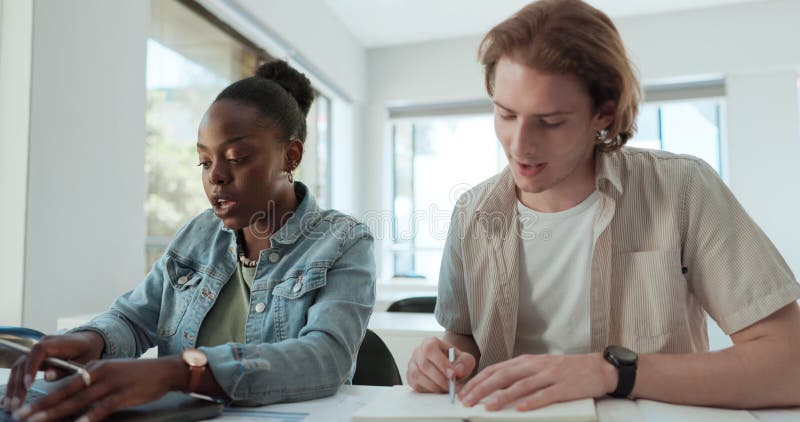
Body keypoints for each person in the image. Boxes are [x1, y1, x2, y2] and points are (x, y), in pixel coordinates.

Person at [407, 0, 800, 412]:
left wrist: (612, 372)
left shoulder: (683, 189)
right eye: (506, 114)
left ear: (604, 114)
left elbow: (790, 363)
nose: (520, 145)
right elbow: (463, 339)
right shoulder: (472, 214)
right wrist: (442, 361)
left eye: (551, 121)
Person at [2, 60, 376, 422]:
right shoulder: (200, 233)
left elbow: (325, 357)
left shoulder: (343, 240)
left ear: (289, 156)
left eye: (237, 157)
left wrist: (179, 372)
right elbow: (134, 317)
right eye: (205, 162)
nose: (217, 177)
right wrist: (92, 340)